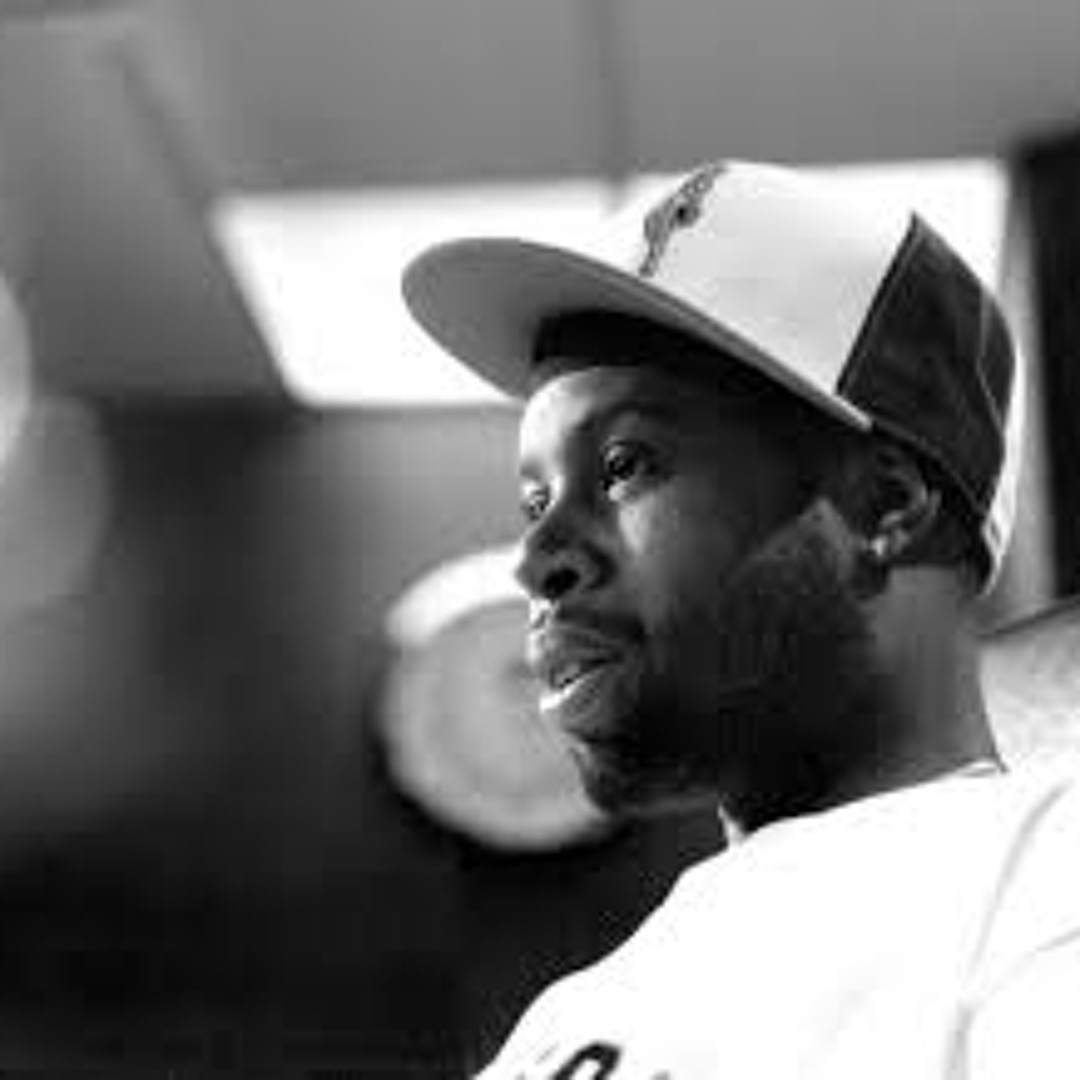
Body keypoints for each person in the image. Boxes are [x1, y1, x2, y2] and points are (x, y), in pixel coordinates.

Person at [402, 161, 1080, 1079]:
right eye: (535, 501)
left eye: (624, 466)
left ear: (888, 505)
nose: (535, 556)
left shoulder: (1043, 876)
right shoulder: (568, 1016)